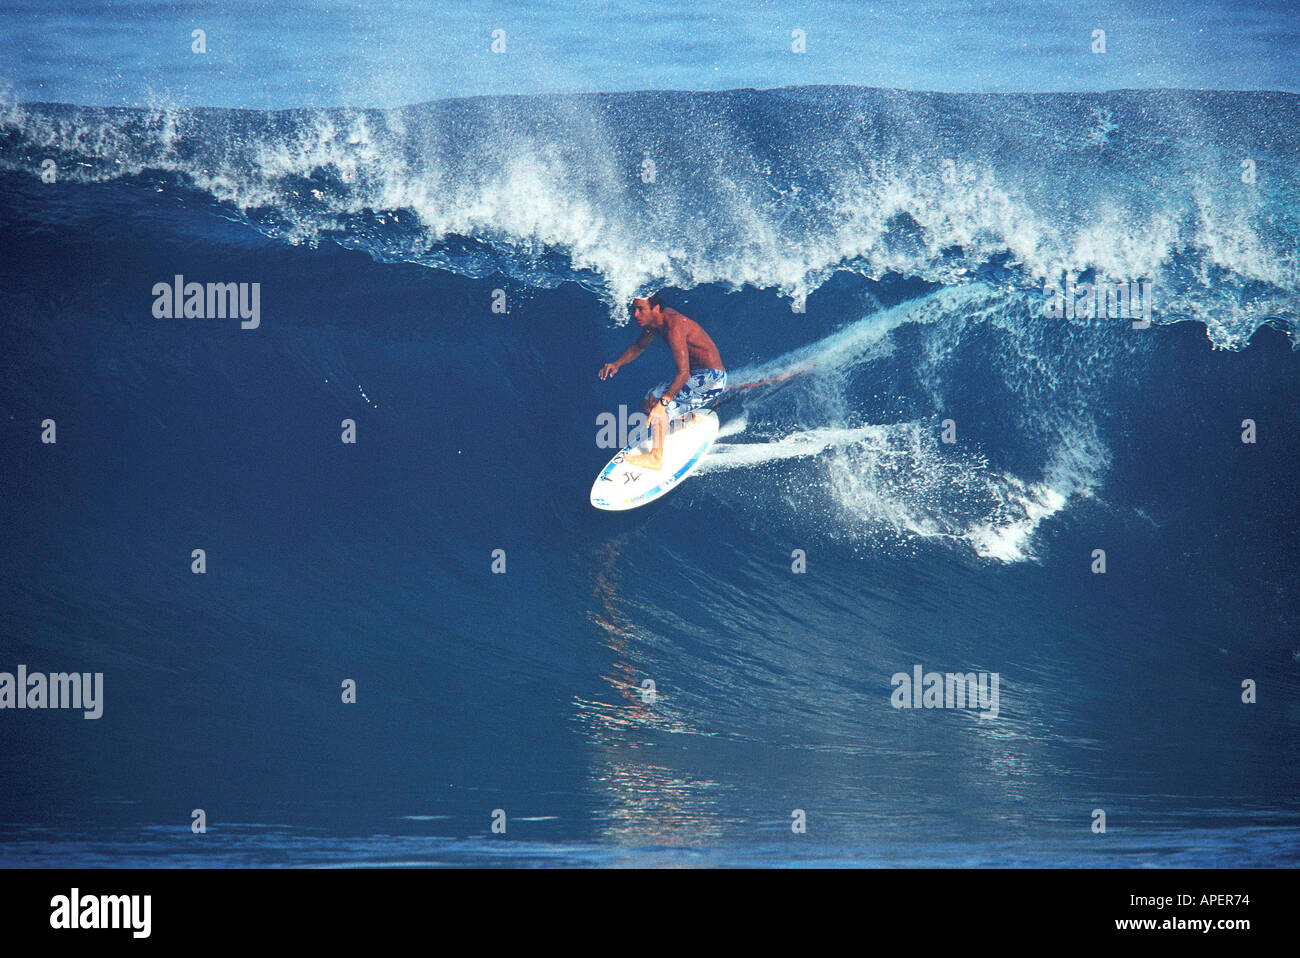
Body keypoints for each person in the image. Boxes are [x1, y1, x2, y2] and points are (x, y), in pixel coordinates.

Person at [598, 293, 726, 469]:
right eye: (634, 309)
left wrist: (663, 404)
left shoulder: (674, 326)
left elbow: (683, 373)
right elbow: (639, 346)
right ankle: (687, 418)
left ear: (655, 308)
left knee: (660, 407)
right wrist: (616, 363)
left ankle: (655, 458)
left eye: (640, 309)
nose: (635, 314)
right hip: (698, 376)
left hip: (712, 379)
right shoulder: (654, 325)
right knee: (649, 398)